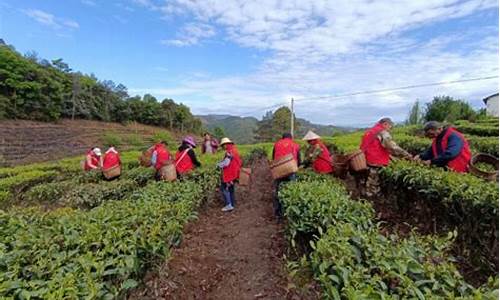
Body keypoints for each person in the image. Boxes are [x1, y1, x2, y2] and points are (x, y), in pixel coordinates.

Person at [359, 117, 412, 197]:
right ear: (385, 124)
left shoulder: (370, 131)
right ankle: (372, 199)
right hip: (376, 160)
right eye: (390, 126)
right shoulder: (382, 132)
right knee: (373, 182)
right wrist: (406, 155)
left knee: (368, 179)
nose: (390, 129)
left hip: (366, 159)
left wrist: (390, 157)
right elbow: (392, 147)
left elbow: (373, 146)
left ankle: (365, 196)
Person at [272, 133, 301, 220]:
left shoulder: (276, 144)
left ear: (282, 138)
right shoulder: (295, 145)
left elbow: (274, 157)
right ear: (291, 138)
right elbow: (299, 160)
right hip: (291, 169)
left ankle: (278, 214)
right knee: (293, 190)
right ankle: (290, 213)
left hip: (279, 169)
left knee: (278, 191)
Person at [217, 137, 242, 212]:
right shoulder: (234, 150)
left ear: (226, 144)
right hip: (235, 172)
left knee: (224, 188)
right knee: (231, 188)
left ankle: (228, 205)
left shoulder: (229, 152)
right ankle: (232, 203)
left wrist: (218, 164)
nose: (223, 147)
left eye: (223, 145)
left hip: (229, 173)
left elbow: (226, 163)